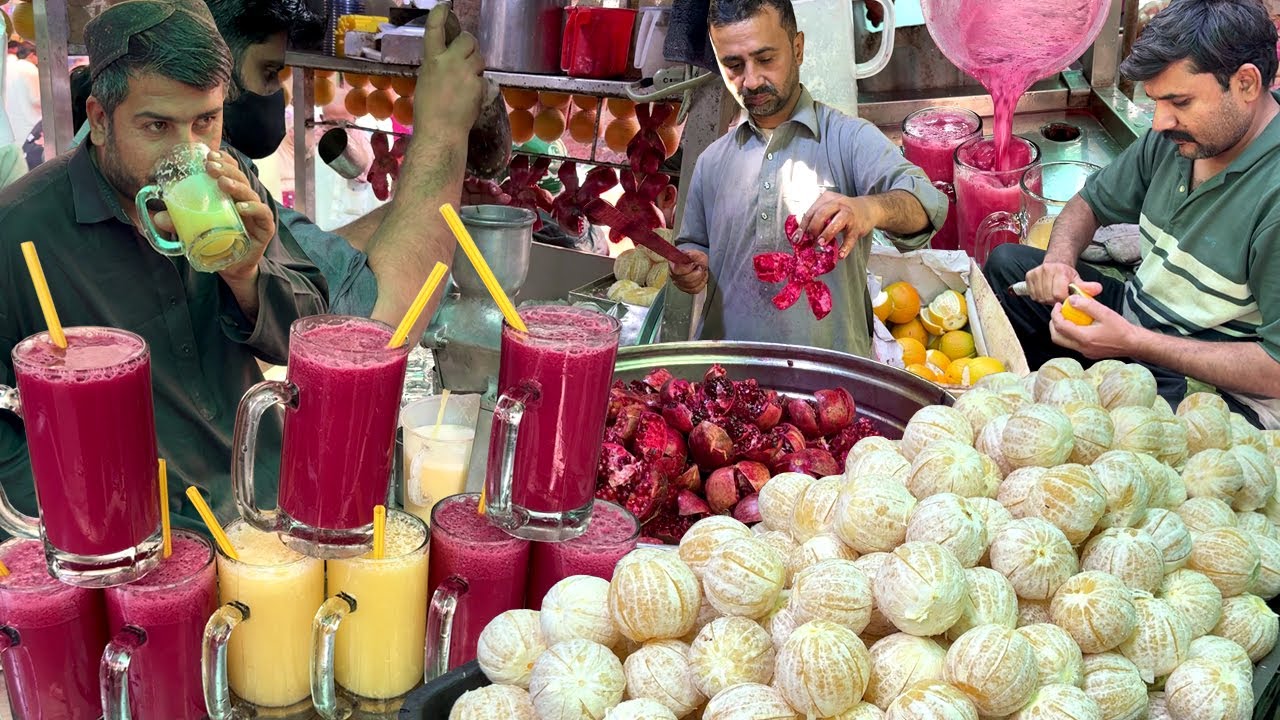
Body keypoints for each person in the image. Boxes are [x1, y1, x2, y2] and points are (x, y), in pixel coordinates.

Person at [0, 0, 328, 533]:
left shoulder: (230, 177)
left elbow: (311, 336)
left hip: (267, 499)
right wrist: (72, 521)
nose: (189, 150)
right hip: (146, 540)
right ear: (101, 122)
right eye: (158, 126)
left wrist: (248, 278)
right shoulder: (20, 232)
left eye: (207, 120)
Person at [984, 0, 1280, 429]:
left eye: (1179, 101)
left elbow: (1274, 367)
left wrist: (1135, 342)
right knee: (1006, 265)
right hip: (1135, 321)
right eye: (1156, 101)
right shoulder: (1176, 139)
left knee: (1141, 446)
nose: (1159, 121)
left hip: (1208, 385)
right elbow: (1088, 204)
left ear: (1247, 84)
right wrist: (1059, 262)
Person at [669, 0, 946, 358]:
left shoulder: (849, 138)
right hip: (729, 379)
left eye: (766, 59)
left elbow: (926, 204)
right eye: (733, 66)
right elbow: (695, 248)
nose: (750, 81)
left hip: (831, 387)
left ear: (797, 48)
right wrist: (690, 268)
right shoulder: (711, 161)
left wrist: (869, 209)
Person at [204, 0, 485, 333]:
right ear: (214, 66)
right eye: (268, 73)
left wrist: (434, 202)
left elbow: (308, 263)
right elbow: (369, 331)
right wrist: (443, 133)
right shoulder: (203, 176)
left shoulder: (226, 164)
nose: (282, 95)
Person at [3, 41, 40, 143]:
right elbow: (37, 99)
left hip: (14, 124)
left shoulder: (12, 67)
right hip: (31, 124)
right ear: (32, 54)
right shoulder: (30, 69)